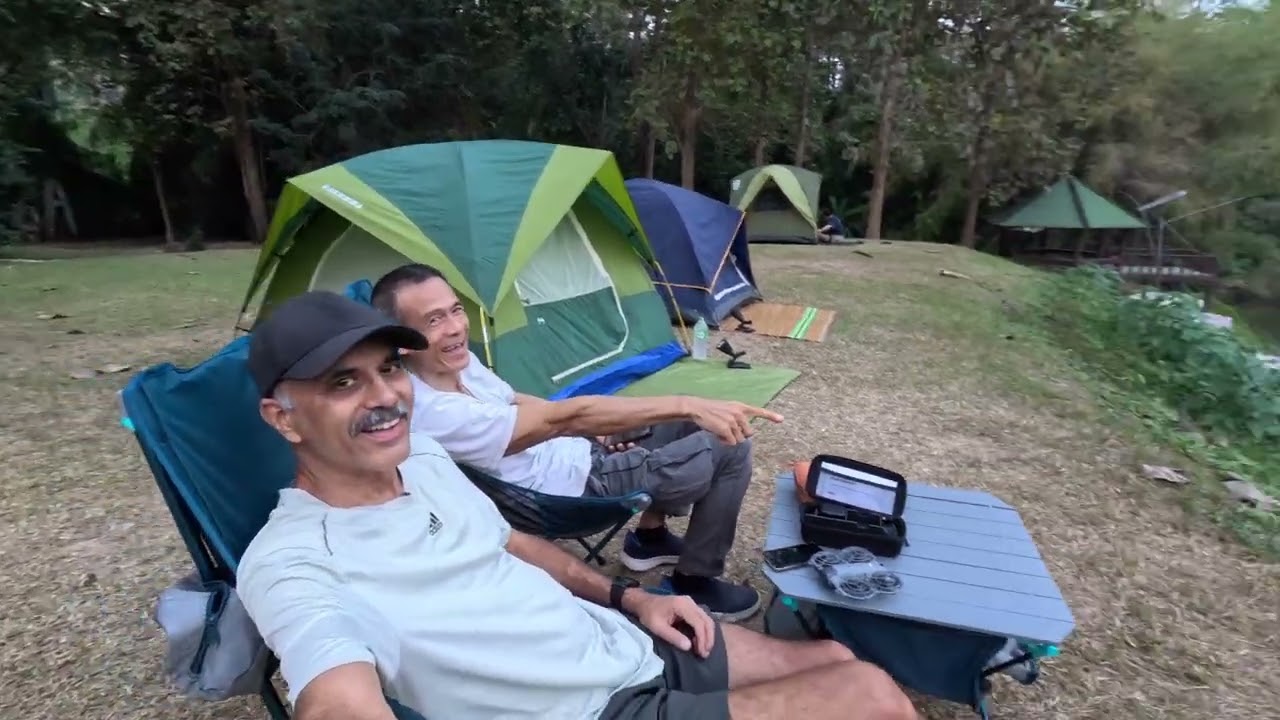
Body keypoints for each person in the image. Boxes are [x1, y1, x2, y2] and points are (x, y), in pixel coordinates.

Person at [236, 290, 919, 720]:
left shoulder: (424, 457)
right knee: (873, 701)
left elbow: (510, 543)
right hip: (595, 706)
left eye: (389, 369)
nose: (384, 396)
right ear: (283, 418)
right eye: (343, 382)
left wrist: (631, 601)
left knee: (842, 664)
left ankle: (666, 571)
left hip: (624, 642)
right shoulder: (291, 562)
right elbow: (334, 698)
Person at [369, 263, 776, 621]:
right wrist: (687, 404)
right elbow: (563, 416)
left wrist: (591, 431)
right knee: (729, 444)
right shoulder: (435, 412)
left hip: (577, 452)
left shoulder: (454, 362)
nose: (457, 328)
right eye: (434, 320)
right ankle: (695, 579)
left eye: (457, 309)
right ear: (403, 340)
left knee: (679, 425)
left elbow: (513, 399)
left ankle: (649, 538)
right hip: (570, 492)